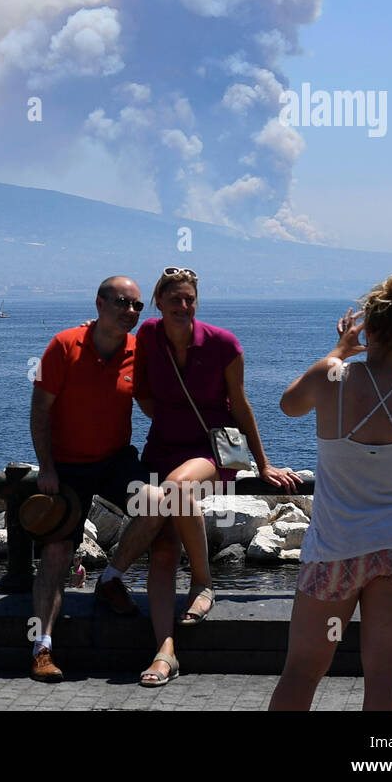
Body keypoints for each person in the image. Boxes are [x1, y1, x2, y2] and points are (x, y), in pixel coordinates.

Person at [270, 274, 392, 711]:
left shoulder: (332, 377)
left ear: (368, 328)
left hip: (337, 548)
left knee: (304, 669)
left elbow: (289, 405)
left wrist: (340, 351)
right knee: (385, 672)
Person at [131, 267, 300, 686]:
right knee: (165, 552)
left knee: (176, 489)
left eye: (190, 299)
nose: (184, 306)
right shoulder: (148, 336)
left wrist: (263, 464)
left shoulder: (224, 344)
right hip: (162, 449)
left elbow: (241, 407)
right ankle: (164, 652)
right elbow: (142, 394)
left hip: (212, 451)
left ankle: (203, 581)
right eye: (175, 300)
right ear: (159, 304)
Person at [28, 276, 180, 684]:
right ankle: (42, 647)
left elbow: (154, 407)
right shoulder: (63, 346)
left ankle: (110, 579)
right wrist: (47, 468)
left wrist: (209, 423)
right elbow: (40, 411)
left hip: (115, 460)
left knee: (161, 503)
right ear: (99, 303)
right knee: (58, 551)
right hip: (67, 466)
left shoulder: (138, 351)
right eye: (121, 303)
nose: (130, 312)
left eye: (136, 306)